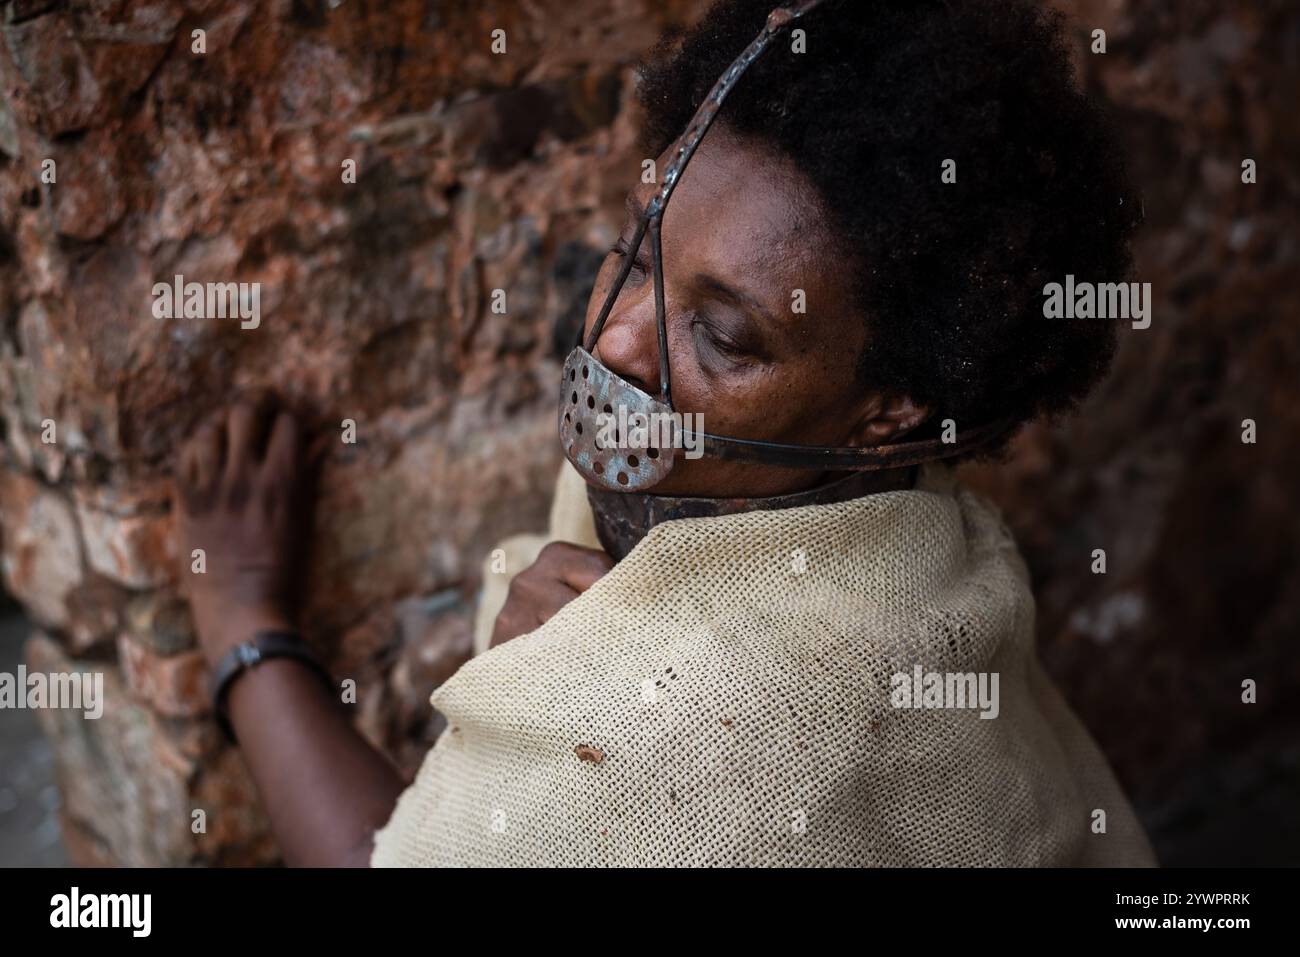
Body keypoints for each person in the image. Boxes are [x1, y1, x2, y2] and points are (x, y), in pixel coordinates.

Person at [174, 0, 1155, 866]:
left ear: (891, 407)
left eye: (725, 338)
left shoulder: (678, 739)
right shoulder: (914, 532)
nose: (619, 339)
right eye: (636, 248)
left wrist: (244, 627)